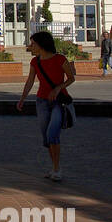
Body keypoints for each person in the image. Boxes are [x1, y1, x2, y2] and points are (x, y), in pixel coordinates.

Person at [17, 30, 76, 181]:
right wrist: (22, 98)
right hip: (42, 101)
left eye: (33, 44)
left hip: (58, 102)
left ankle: (57, 169)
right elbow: (30, 81)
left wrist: (58, 88)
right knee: (46, 137)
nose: (31, 47)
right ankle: (54, 167)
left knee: (52, 133)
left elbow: (71, 78)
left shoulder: (60, 59)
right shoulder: (35, 62)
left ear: (42, 44)